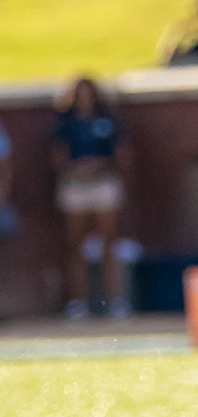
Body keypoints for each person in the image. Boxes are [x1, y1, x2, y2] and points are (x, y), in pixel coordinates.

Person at [52, 78, 130, 320]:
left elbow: (122, 154)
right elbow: (58, 155)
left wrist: (101, 166)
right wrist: (76, 169)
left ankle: (115, 301)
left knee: (109, 241)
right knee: (75, 244)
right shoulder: (66, 121)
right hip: (75, 185)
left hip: (104, 182)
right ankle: (78, 303)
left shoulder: (108, 119)